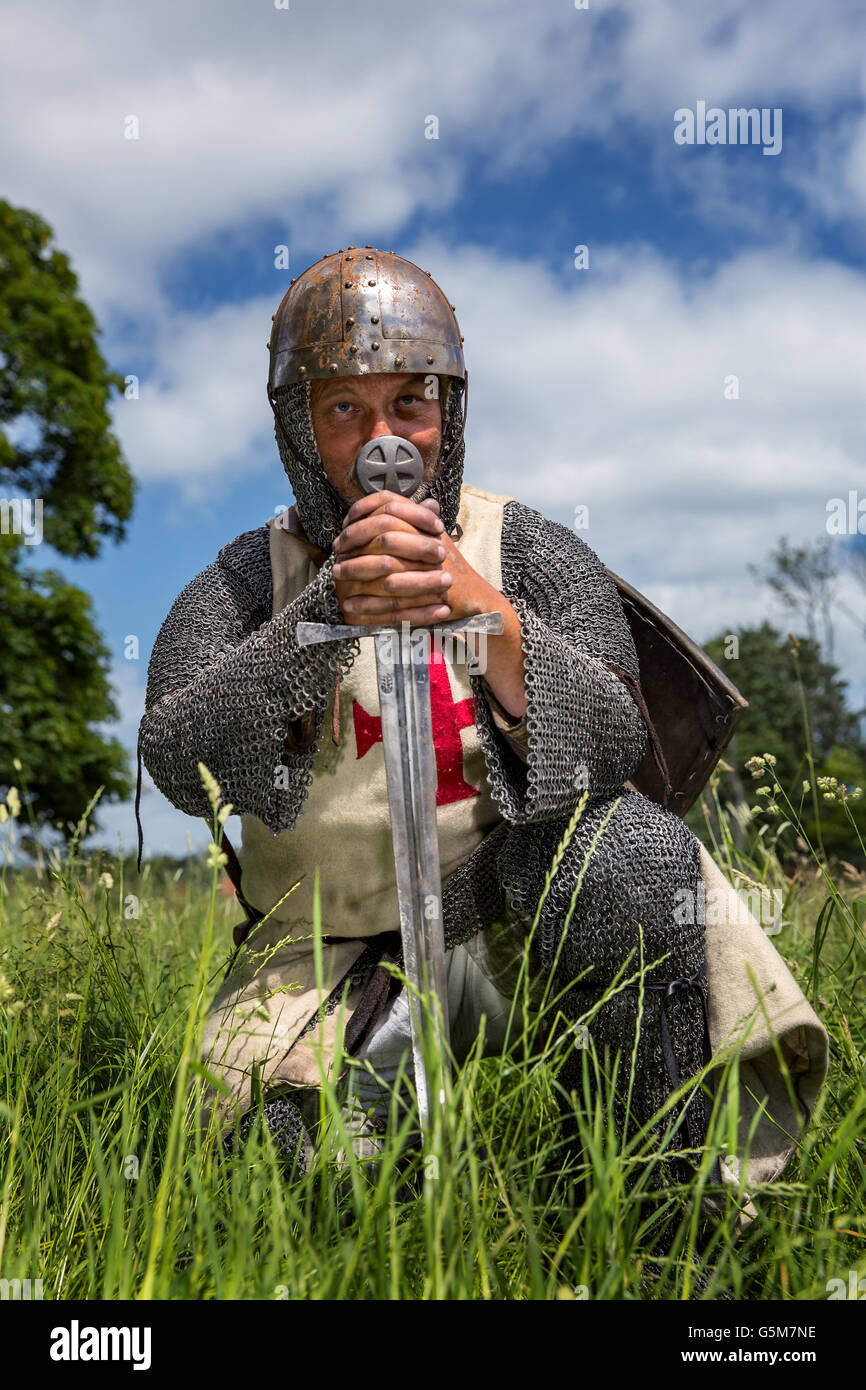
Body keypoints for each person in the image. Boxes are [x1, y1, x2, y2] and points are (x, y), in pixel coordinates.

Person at [138, 248, 827, 1193]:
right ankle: (386, 1152)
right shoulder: (243, 582)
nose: (385, 439)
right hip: (324, 951)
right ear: (301, 426)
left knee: (627, 854)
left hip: (513, 919)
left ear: (449, 410)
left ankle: (660, 1216)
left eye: (410, 403)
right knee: (291, 1175)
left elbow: (620, 743)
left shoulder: (525, 547)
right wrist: (319, 620)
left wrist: (490, 617)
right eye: (346, 407)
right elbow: (177, 761)